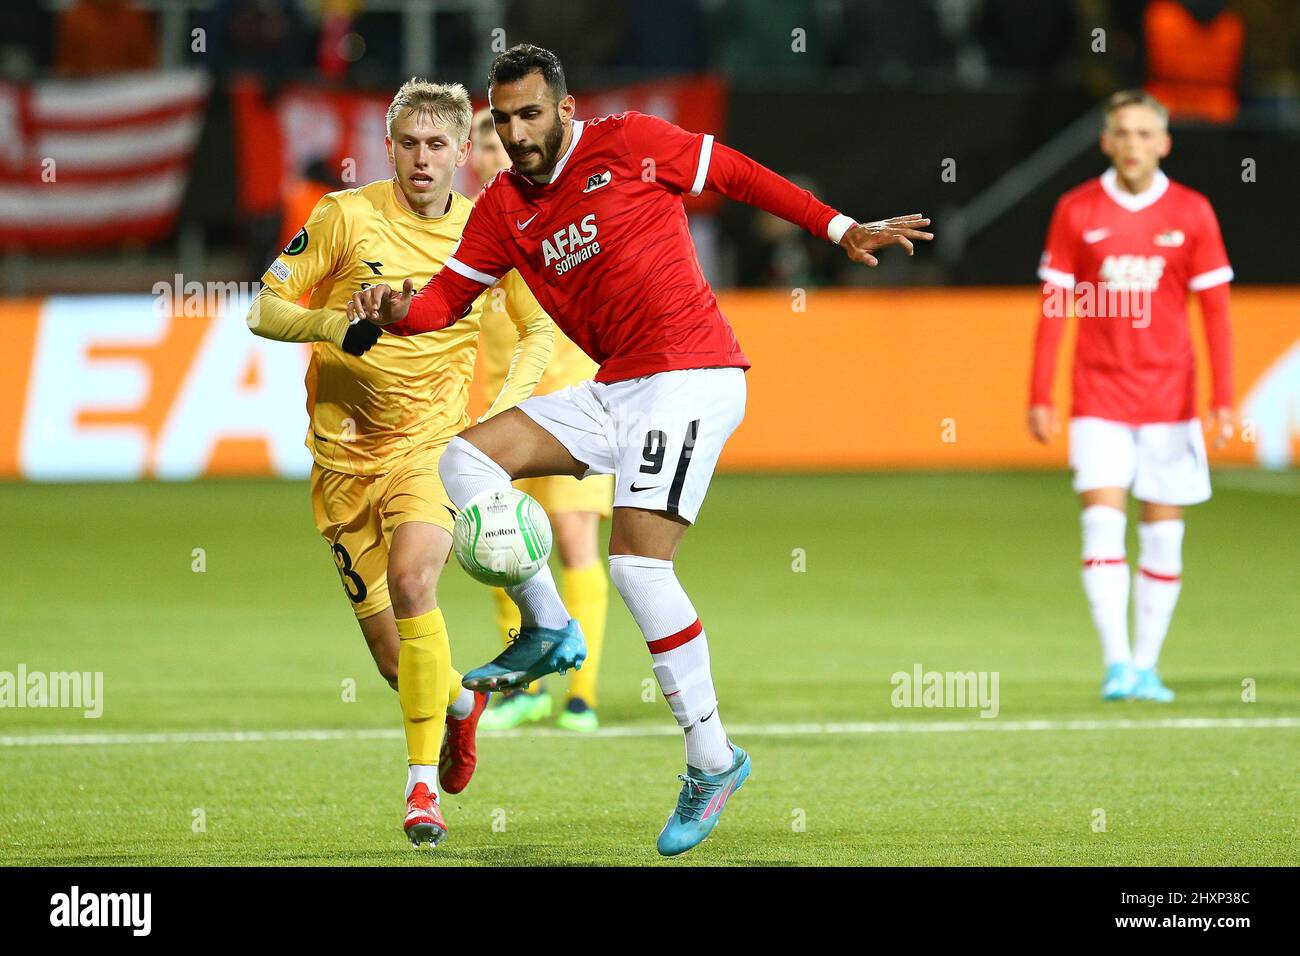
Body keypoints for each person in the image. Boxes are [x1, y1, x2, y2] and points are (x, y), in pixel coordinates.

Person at [349, 44, 930, 856]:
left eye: (529, 115)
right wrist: (389, 308)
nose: (515, 134)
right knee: (466, 461)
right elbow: (444, 303)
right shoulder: (503, 208)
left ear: (564, 108)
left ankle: (712, 757)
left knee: (637, 567)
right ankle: (549, 628)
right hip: (617, 386)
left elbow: (732, 172)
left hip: (692, 371)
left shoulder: (626, 144)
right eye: (504, 118)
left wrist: (836, 225)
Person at [247, 79, 554, 847]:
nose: (423, 158)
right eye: (409, 143)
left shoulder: (491, 230)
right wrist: (331, 325)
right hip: (343, 463)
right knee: (394, 662)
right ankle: (457, 703)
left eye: (438, 145)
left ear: (461, 152)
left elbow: (538, 328)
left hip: (433, 450)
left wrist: (503, 413)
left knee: (418, 581)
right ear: (389, 148)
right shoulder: (344, 216)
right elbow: (263, 306)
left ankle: (421, 792)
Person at [1028, 90, 1234, 703]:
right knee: (1101, 523)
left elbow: (1216, 311)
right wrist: (1041, 392)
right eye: (1124, 133)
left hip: (1171, 400)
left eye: (1146, 134)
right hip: (1099, 395)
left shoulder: (1193, 212)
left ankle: (1147, 665)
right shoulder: (1076, 209)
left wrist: (1223, 397)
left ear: (1165, 142)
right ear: (1106, 141)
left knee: (1164, 533)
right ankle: (1117, 664)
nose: (1135, 144)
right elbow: (1055, 308)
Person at [467, 108, 615, 734]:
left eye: (501, 139)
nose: (491, 150)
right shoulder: (468, 230)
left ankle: (581, 695)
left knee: (575, 540)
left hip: (567, 404)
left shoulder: (549, 218)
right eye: (481, 140)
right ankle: (523, 688)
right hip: (502, 416)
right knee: (500, 549)